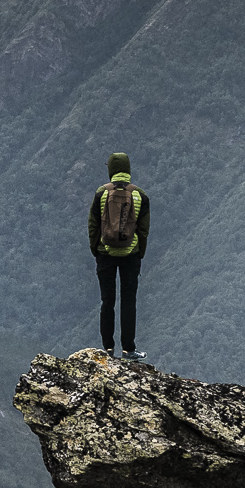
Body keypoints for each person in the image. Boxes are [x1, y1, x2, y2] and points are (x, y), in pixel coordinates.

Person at [88, 151, 150, 361]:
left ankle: (107, 349)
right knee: (128, 300)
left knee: (107, 300)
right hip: (130, 255)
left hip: (105, 253)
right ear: (128, 169)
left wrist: (95, 249)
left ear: (111, 170)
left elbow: (93, 225)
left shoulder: (101, 193)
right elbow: (143, 229)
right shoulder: (139, 195)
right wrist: (139, 252)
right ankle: (128, 349)